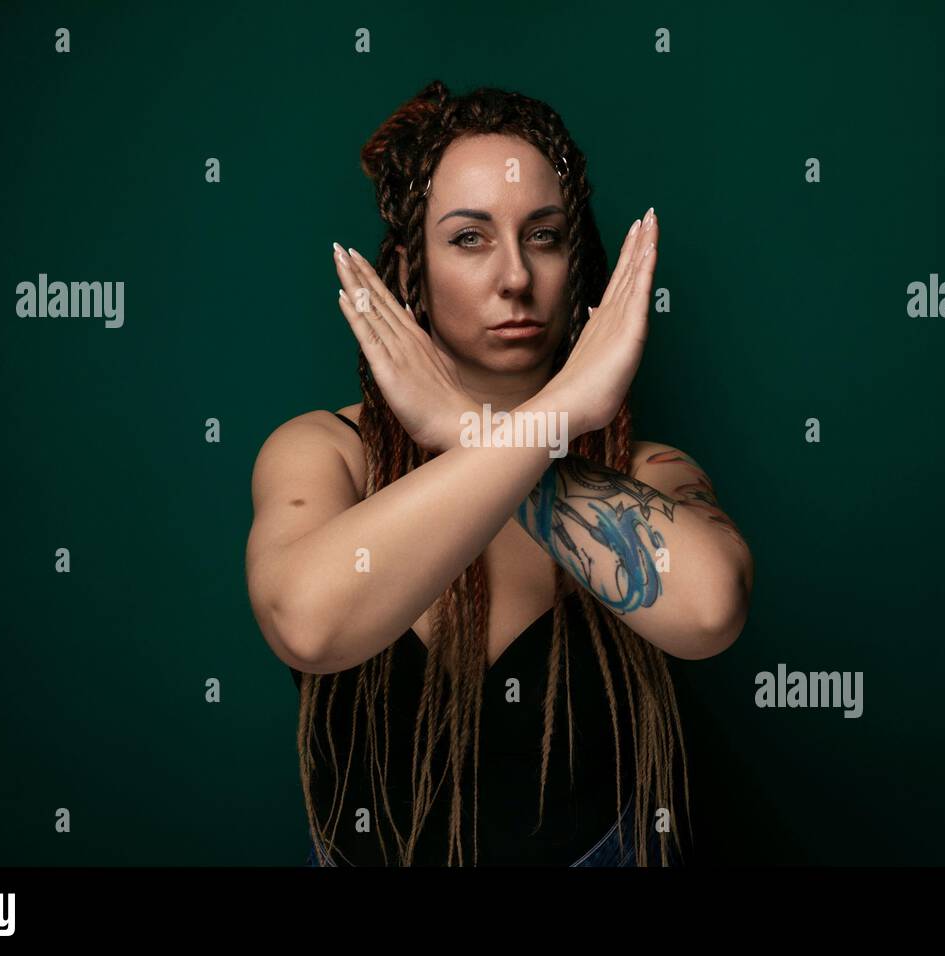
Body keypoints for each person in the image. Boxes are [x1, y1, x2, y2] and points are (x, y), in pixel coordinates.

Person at [245, 81, 755, 866]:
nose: (515, 277)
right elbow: (309, 625)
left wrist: (464, 430)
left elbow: (710, 608)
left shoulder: (646, 470)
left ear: (575, 263)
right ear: (411, 268)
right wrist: (532, 425)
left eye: (544, 235)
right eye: (471, 238)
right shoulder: (328, 452)